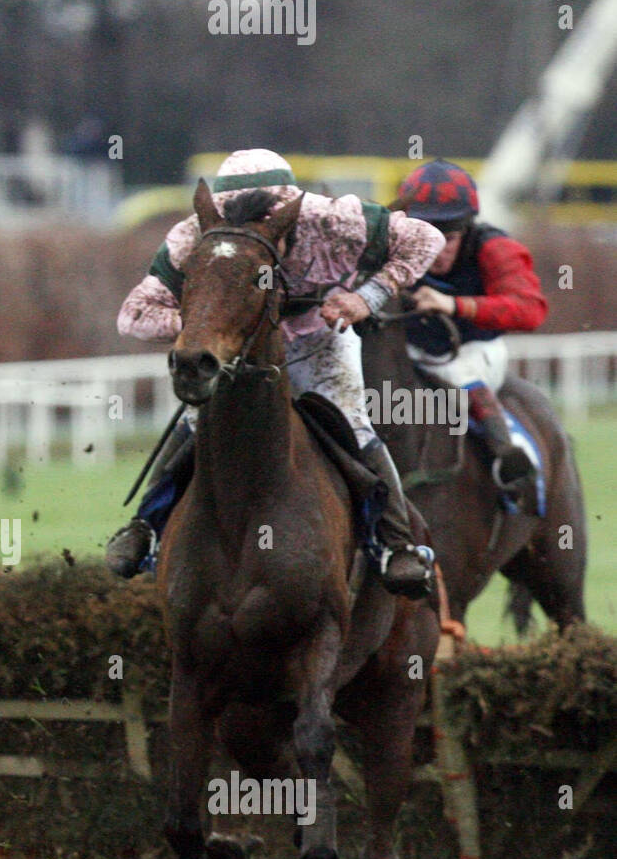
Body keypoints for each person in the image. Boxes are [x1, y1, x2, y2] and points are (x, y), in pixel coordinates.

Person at [106, 148, 445, 597]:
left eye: (266, 227)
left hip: (317, 342)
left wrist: (367, 298)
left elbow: (426, 239)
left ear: (287, 211)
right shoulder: (195, 236)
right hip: (243, 353)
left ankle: (394, 544)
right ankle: (145, 528)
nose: (251, 233)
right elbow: (133, 315)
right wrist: (210, 323)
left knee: (354, 423)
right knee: (194, 424)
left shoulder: (331, 218)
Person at [397, 159, 547, 508]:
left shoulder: (495, 249)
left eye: (447, 239)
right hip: (410, 349)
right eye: (424, 238)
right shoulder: (392, 244)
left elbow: (531, 310)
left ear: (466, 230)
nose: (435, 251)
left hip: (475, 351)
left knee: (457, 371)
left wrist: (456, 306)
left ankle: (507, 457)